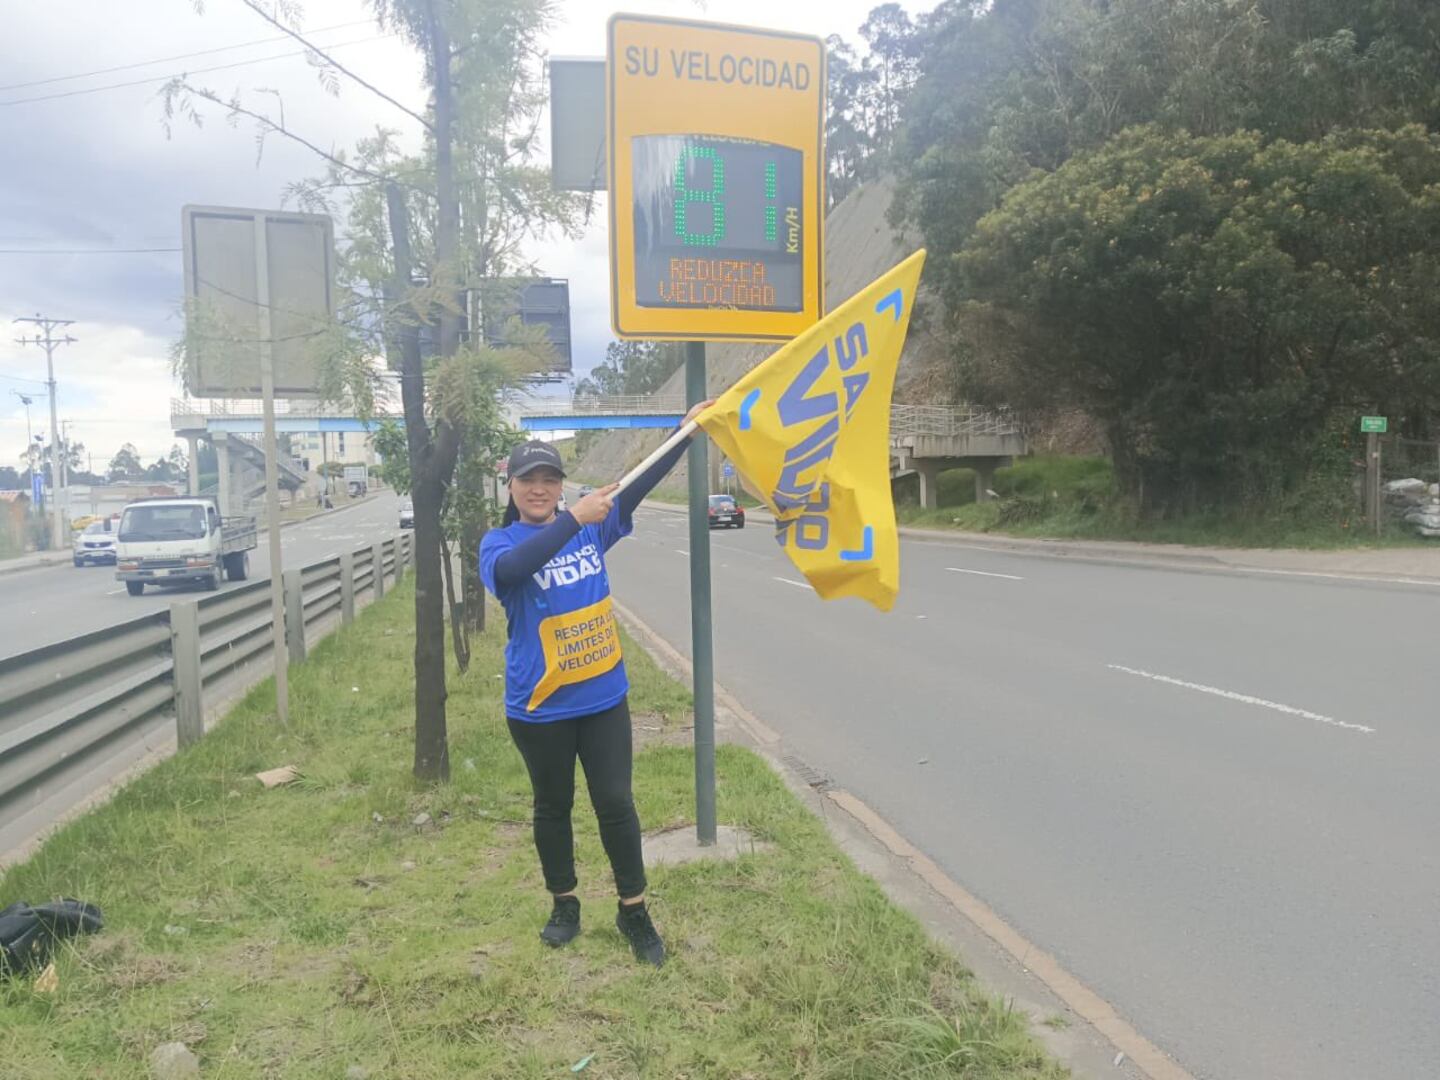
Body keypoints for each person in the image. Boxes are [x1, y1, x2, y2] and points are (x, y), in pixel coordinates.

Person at [480, 405, 712, 967]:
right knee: (552, 806)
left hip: (603, 699)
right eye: (528, 480)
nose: (539, 488)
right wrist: (574, 519)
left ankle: (634, 911)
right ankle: (565, 904)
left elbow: (637, 485)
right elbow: (513, 572)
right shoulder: (499, 542)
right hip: (539, 708)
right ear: (511, 487)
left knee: (615, 803)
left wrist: (685, 432)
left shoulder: (590, 527)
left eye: (549, 479)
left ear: (561, 485)